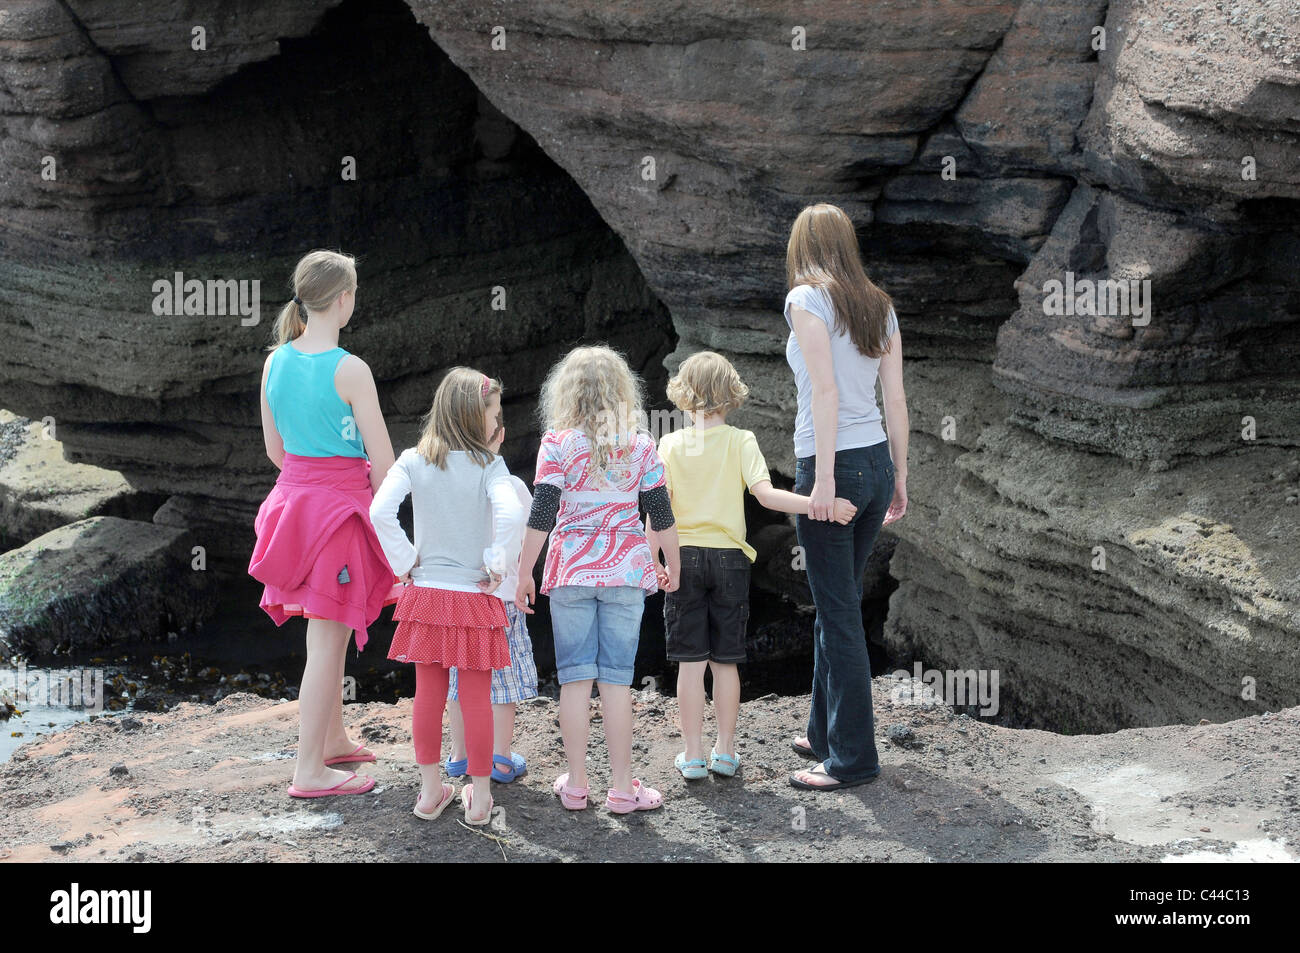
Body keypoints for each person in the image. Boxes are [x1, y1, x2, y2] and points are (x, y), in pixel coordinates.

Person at [652, 350, 856, 781]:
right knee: (726, 662)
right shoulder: (742, 441)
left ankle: (691, 756)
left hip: (684, 558)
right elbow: (766, 496)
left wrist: (655, 560)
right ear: (731, 395)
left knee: (690, 665)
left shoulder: (668, 444)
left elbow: (659, 511)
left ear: (684, 397)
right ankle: (725, 753)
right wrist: (821, 505)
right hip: (730, 561)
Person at [248, 249, 402, 799]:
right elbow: (384, 466)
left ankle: (332, 739)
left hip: (292, 507)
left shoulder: (274, 362)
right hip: (338, 516)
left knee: (327, 637)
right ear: (343, 300)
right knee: (326, 641)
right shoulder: (351, 369)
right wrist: (398, 535)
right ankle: (308, 770)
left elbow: (276, 450)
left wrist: (312, 479)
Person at [515, 345, 679, 813]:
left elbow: (542, 511)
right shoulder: (641, 445)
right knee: (616, 682)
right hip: (626, 572)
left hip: (570, 572)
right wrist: (674, 561)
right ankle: (624, 789)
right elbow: (660, 511)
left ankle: (576, 786)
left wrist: (524, 571)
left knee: (574, 680)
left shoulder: (557, 444)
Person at [781, 203, 910, 791]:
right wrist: (900, 475)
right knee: (837, 602)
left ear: (803, 247)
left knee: (838, 615)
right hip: (877, 463)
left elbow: (826, 392)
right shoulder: (878, 305)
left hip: (832, 467)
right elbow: (897, 400)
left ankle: (853, 761)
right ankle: (823, 732)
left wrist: (824, 481)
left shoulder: (805, 300)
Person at [369, 368, 525, 825]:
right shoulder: (489, 466)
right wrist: (497, 564)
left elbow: (380, 510)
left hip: (427, 594)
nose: (499, 424)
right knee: (476, 698)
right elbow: (513, 513)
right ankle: (478, 800)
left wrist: (405, 560)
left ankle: (430, 792)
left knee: (427, 695)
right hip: (475, 598)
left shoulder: (415, 459)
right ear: (476, 418)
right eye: (495, 415)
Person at [443, 415, 538, 785]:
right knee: (502, 677)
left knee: (457, 674)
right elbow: (531, 532)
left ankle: (459, 755)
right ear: (502, 435)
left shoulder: (448, 485)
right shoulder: (512, 486)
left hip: (460, 598)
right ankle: (499, 758)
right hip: (503, 598)